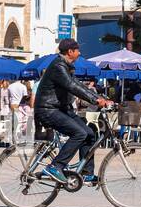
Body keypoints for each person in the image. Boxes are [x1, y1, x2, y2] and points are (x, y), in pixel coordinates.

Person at [33, 39, 113, 183]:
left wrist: (100, 98)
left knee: (89, 134)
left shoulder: (66, 66)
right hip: (48, 110)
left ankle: (86, 173)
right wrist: (95, 101)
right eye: (77, 50)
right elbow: (71, 86)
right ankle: (55, 167)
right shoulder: (58, 66)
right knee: (79, 133)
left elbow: (78, 85)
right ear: (70, 52)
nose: (80, 52)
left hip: (61, 109)